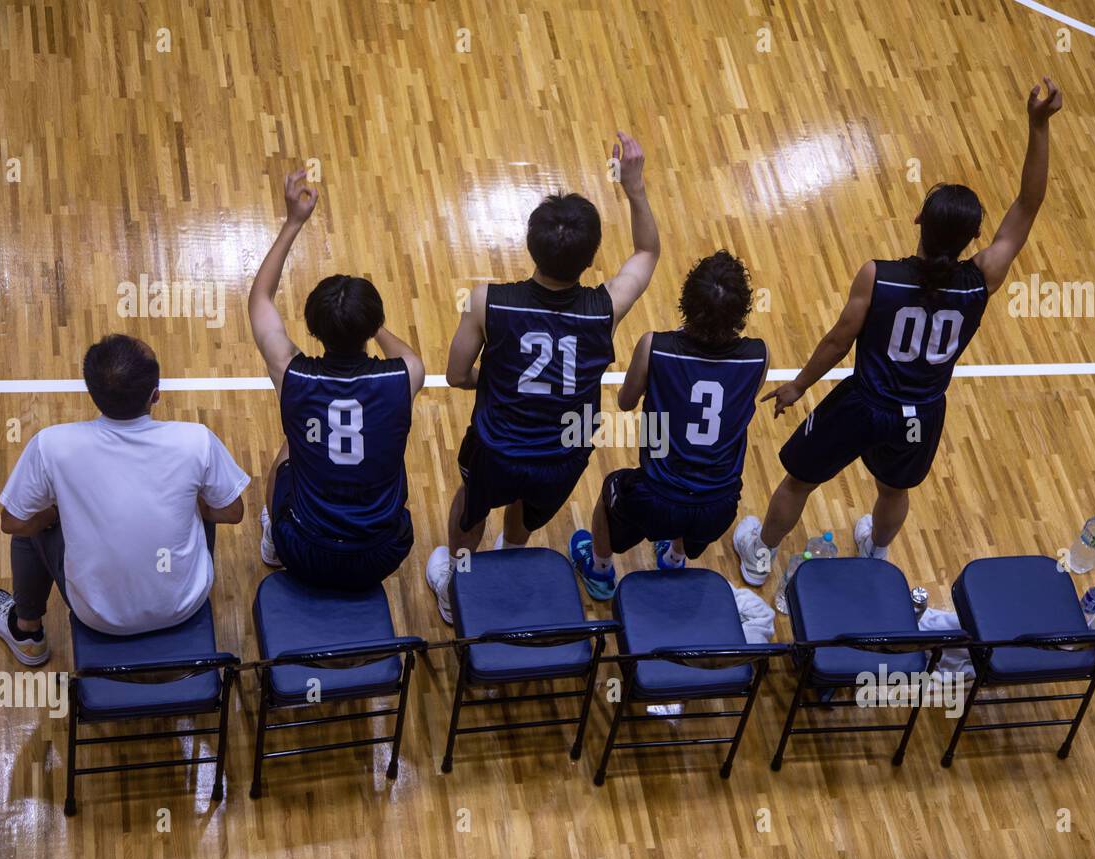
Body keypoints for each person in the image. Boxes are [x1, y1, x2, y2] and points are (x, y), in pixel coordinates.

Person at [734, 78, 1064, 585]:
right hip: (921, 415)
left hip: (862, 405)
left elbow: (837, 341)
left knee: (799, 480)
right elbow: (1028, 204)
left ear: (917, 220)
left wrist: (799, 385)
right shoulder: (982, 281)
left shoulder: (879, 276)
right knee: (893, 491)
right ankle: (878, 554)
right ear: (976, 238)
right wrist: (1039, 126)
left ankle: (762, 555)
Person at [425, 132, 660, 624]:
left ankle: (454, 589)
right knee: (526, 514)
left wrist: (487, 383)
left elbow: (454, 374)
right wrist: (634, 188)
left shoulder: (487, 300)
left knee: (471, 509)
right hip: (562, 452)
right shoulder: (605, 309)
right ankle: (511, 552)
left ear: (529, 247)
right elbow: (646, 254)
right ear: (592, 258)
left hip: (497, 447)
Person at [0, 334, 248, 663]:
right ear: (156, 395)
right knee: (206, 501)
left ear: (92, 394)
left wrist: (55, 514)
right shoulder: (196, 440)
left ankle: (27, 632)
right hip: (184, 606)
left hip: (100, 616)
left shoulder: (51, 445)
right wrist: (184, 502)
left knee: (32, 524)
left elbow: (13, 522)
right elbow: (232, 511)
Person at [248, 169, 425, 591]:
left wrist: (293, 222)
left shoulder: (292, 373)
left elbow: (259, 299)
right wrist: (373, 323)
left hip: (305, 548)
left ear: (313, 330)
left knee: (294, 440)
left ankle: (274, 541)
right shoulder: (405, 376)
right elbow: (407, 355)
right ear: (372, 329)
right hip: (381, 553)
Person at [569, 251, 768, 599]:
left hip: (656, 494)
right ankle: (674, 558)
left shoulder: (655, 347)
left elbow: (626, 402)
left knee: (609, 490)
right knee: (693, 492)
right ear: (742, 311)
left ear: (686, 301)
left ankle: (599, 571)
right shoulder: (758, 355)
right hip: (719, 504)